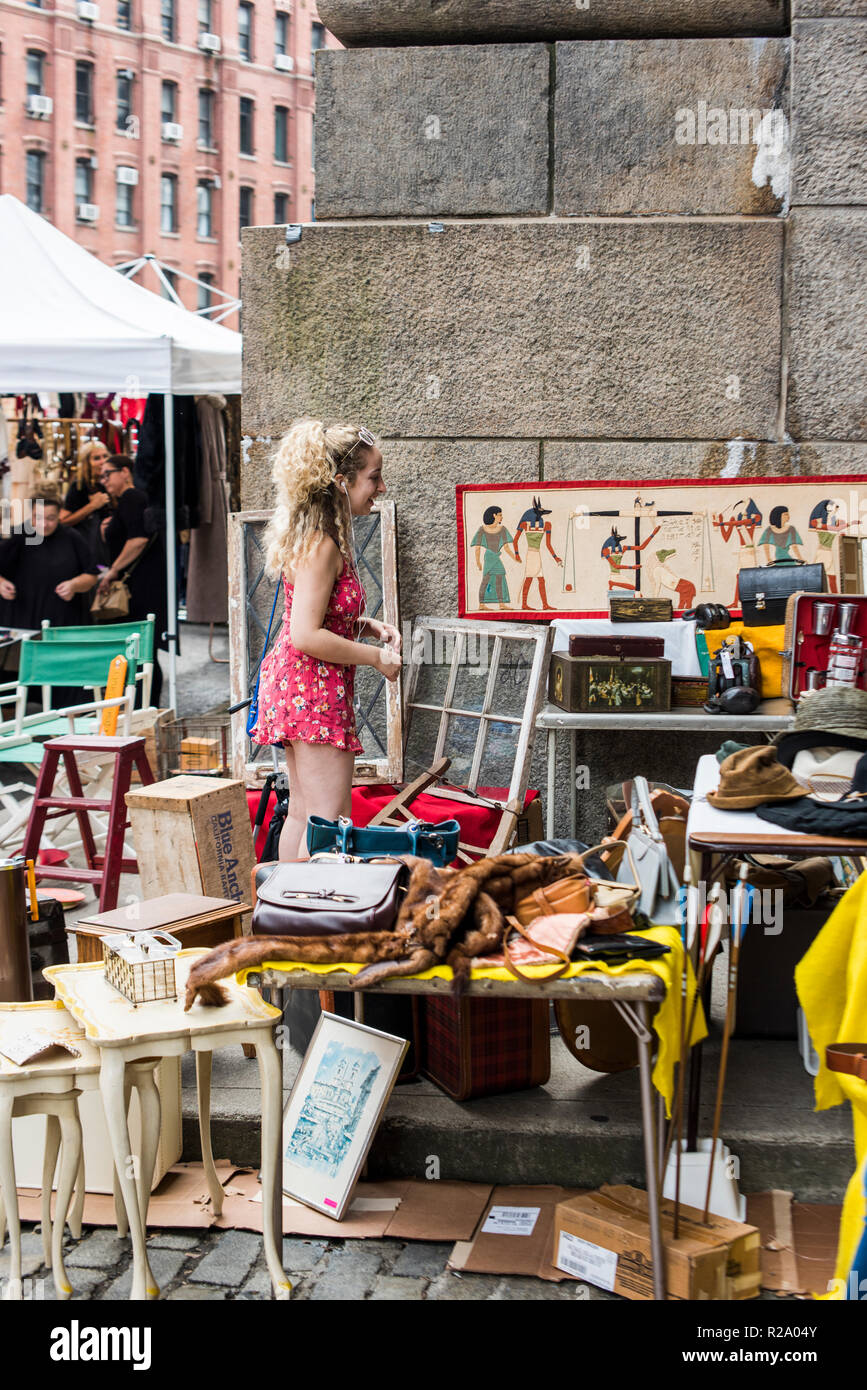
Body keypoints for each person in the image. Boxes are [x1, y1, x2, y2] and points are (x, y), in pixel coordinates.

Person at [250, 419, 401, 860]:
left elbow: (314, 619)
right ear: (341, 482)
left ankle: (288, 913)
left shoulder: (317, 538)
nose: (381, 487)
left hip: (300, 687)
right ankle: (304, 915)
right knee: (325, 821)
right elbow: (305, 635)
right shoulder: (323, 544)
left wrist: (362, 624)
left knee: (304, 815)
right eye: (373, 477)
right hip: (310, 690)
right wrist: (376, 657)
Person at [95, 454, 167, 705]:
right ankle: (143, 703)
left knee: (141, 649)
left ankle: (143, 704)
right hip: (142, 586)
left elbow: (138, 540)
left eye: (107, 473)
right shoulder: (131, 500)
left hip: (140, 588)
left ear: (125, 472)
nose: (103, 480)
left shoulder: (131, 497)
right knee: (141, 649)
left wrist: (112, 571)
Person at [0, 493, 98, 630]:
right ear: (31, 514)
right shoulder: (16, 535)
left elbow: (92, 575)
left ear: (59, 515)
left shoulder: (72, 537)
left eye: (50, 518)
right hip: (21, 620)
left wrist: (74, 585)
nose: (44, 524)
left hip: (64, 619)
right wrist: (2, 583)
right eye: (38, 518)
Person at [59, 439, 111, 565]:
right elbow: (63, 521)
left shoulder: (112, 482)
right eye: (96, 458)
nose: (102, 461)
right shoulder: (79, 487)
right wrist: (92, 506)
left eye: (105, 456)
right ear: (87, 462)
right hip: (89, 549)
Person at [471, 505, 514, 610]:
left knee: (500, 577)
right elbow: (477, 547)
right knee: (486, 578)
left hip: (496, 556)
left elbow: (506, 547)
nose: (501, 517)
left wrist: (515, 557)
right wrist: (478, 562)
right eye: (500, 515)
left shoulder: (502, 529)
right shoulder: (482, 529)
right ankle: (481, 604)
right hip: (489, 557)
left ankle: (501, 604)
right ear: (494, 515)